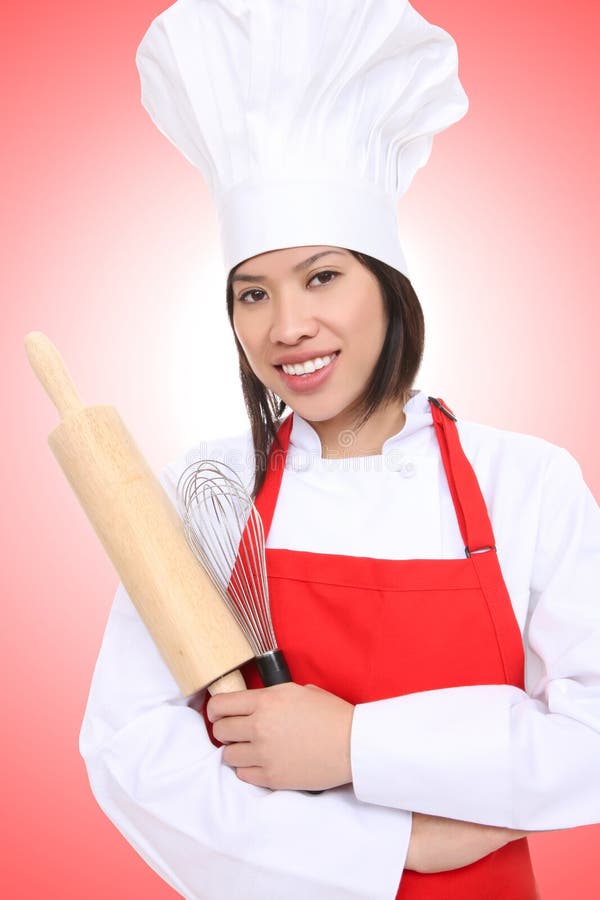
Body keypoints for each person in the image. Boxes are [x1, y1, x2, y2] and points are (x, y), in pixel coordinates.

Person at [79, 1, 600, 898]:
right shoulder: (209, 491)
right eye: (251, 294)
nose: (287, 327)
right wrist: (394, 845)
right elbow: (131, 747)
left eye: (323, 275)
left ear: (389, 286)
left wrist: (352, 744)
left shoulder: (529, 484)